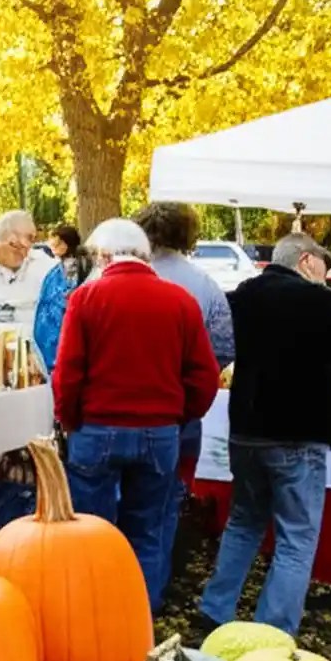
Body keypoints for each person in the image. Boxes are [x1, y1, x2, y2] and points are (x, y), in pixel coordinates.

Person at [199, 233, 331, 636]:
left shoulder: (241, 296)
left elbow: (219, 348)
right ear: (308, 261)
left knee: (243, 522)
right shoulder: (321, 301)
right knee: (296, 538)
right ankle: (273, 630)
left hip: (246, 429)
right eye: (324, 268)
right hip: (300, 433)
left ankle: (215, 609)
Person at [52, 218, 220, 612]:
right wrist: (179, 415)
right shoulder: (180, 301)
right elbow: (205, 376)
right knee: (150, 528)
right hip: (160, 430)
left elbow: (68, 372)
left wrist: (69, 420)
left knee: (92, 530)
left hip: (96, 428)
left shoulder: (87, 298)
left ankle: (92, 611)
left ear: (105, 255)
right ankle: (139, 613)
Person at [134, 202, 236, 607]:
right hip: (177, 413)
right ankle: (150, 595)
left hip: (112, 412)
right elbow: (222, 351)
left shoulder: (111, 277)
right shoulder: (204, 286)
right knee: (163, 508)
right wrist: (190, 396)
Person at [0, 210, 54, 331]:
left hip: (35, 340)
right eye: (15, 246)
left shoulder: (45, 264)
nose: (24, 252)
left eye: (29, 243)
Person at [32, 224, 93, 373]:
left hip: (60, 322)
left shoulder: (75, 267)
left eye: (58, 243)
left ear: (67, 244)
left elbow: (70, 293)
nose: (53, 247)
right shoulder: (59, 267)